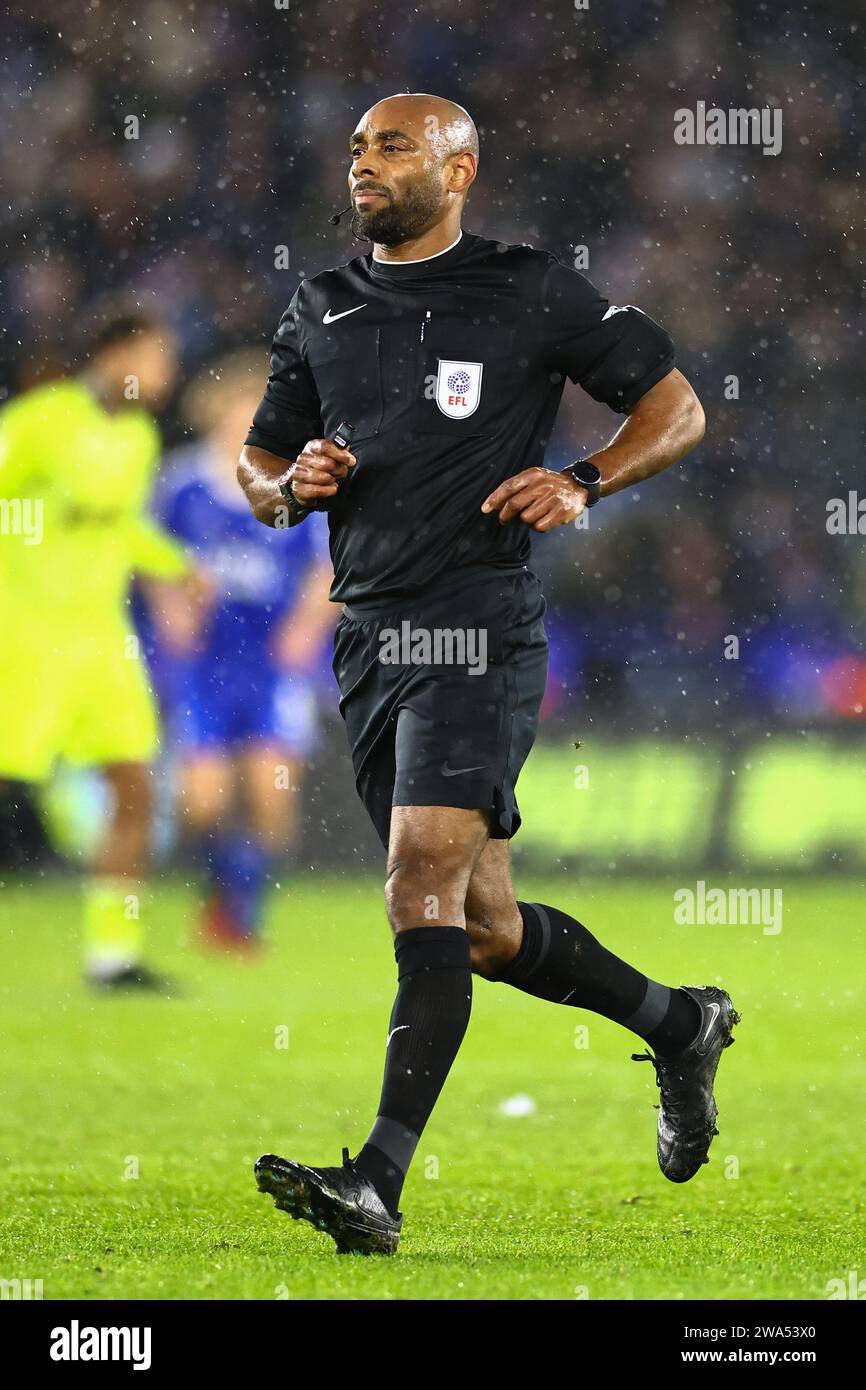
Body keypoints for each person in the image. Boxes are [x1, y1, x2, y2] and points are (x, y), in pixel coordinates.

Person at [238, 93, 738, 1256]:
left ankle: (374, 1181)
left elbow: (674, 408)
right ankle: (680, 1022)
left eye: (393, 145)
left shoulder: (528, 288)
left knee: (418, 883)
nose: (364, 163)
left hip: (474, 625)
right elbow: (260, 466)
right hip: (365, 635)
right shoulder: (320, 303)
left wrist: (585, 478)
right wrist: (287, 486)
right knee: (480, 929)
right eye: (358, 146)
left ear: (458, 168)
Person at [0, 302, 193, 989]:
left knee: (134, 788)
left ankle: (113, 956)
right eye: (156, 359)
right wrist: (32, 524)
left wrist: (178, 564)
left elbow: (121, 529)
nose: (165, 375)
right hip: (24, 638)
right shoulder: (41, 421)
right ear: (115, 354)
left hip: (103, 644)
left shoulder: (138, 436)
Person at [148, 350, 334, 948]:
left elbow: (327, 570)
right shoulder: (181, 484)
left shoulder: (293, 484)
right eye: (238, 414)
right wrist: (171, 608)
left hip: (272, 664)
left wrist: (307, 627)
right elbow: (149, 555)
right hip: (205, 663)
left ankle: (242, 920)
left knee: (271, 796)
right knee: (201, 803)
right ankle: (223, 890)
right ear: (215, 415)